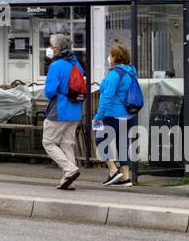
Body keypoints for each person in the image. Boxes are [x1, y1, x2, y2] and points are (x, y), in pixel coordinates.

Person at [42, 36, 86, 189]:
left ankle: (70, 169)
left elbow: (49, 91)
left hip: (60, 109)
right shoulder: (76, 64)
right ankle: (68, 178)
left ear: (56, 49)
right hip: (75, 110)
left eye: (51, 46)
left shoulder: (56, 65)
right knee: (67, 144)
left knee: (48, 142)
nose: (50, 48)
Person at [94, 42, 139, 187]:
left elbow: (108, 96)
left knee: (100, 140)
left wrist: (98, 116)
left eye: (110, 55)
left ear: (114, 57)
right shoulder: (131, 70)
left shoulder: (114, 73)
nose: (108, 57)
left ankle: (113, 170)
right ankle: (126, 178)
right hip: (129, 116)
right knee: (123, 144)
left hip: (112, 115)